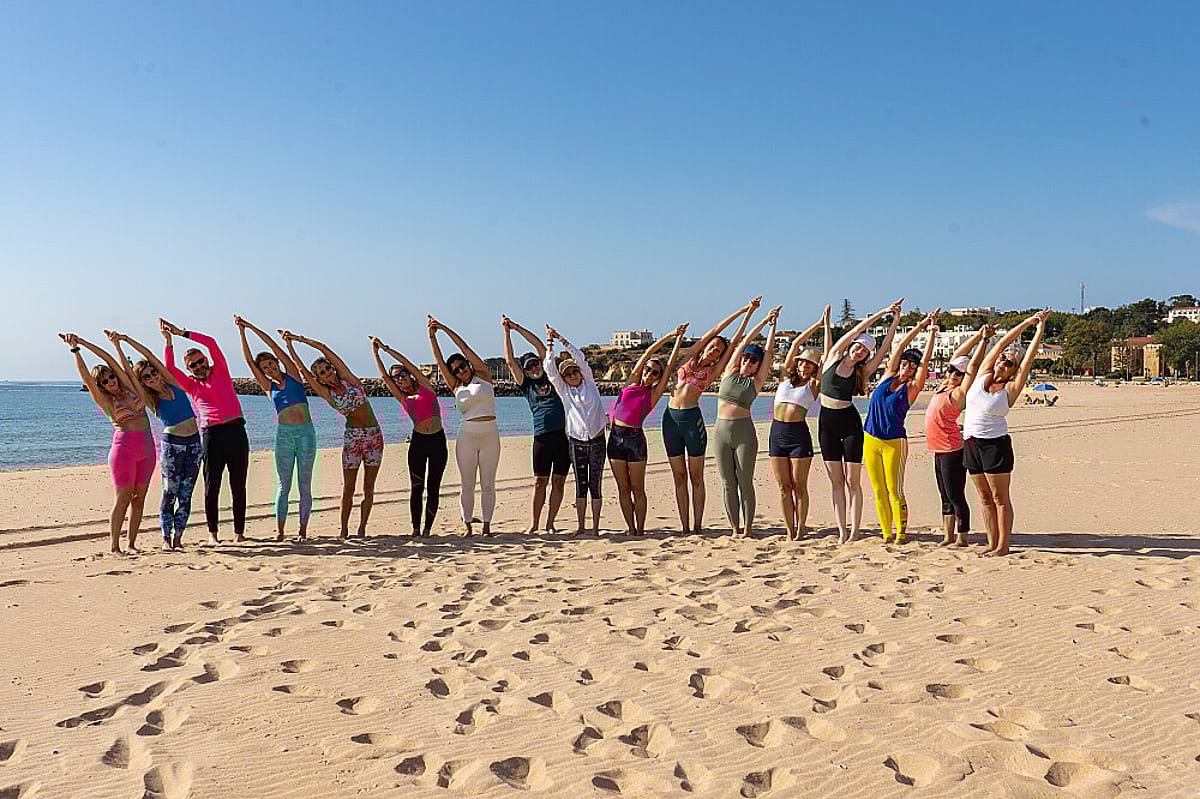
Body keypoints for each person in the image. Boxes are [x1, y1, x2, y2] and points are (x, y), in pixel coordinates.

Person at [664, 297, 762, 532]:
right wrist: (741, 309)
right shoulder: (688, 358)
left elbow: (736, 340)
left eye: (718, 350)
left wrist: (750, 315)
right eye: (711, 346)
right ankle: (685, 526)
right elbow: (716, 330)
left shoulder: (715, 371)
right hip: (669, 419)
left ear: (720, 356)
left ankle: (697, 525)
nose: (713, 350)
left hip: (691, 419)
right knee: (679, 477)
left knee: (696, 476)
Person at [963, 309, 1050, 557]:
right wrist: (1026, 322)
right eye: (1003, 358)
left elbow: (1029, 359)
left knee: (1000, 497)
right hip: (971, 443)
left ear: (1014, 369)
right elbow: (1002, 342)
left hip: (995, 446)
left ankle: (1003, 545)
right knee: (983, 497)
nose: (1003, 362)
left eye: (1009, 363)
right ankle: (992, 542)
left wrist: (1039, 331)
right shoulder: (983, 375)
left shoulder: (1010, 388)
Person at [59, 332, 156, 554]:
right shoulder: (106, 401)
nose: (110, 381)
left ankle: (131, 544)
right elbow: (86, 377)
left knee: (139, 498)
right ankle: (114, 547)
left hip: (148, 449)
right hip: (124, 452)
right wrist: (76, 350)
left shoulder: (130, 388)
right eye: (104, 381)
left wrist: (84, 341)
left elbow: (110, 359)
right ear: (100, 386)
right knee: (123, 498)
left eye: (111, 377)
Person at [282, 331, 383, 539]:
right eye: (321, 372)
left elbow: (324, 348)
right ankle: (344, 530)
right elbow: (302, 370)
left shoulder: (349, 379)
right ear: (319, 379)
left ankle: (362, 528)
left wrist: (299, 339)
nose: (326, 373)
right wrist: (289, 346)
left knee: (369, 487)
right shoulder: (327, 394)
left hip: (374, 437)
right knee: (349, 487)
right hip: (353, 438)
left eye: (327, 368)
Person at [818, 299, 904, 544]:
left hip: (850, 424)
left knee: (852, 481)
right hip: (826, 424)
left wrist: (895, 323)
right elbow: (856, 330)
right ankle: (842, 530)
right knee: (836, 481)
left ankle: (855, 530)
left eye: (865, 352)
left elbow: (885, 349)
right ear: (852, 346)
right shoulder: (833, 357)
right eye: (858, 348)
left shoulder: (862, 372)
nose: (860, 352)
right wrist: (882, 311)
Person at [111, 330, 202, 551]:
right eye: (147, 378)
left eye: (154, 373)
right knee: (170, 493)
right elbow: (130, 377)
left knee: (186, 494)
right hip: (172, 445)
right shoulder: (150, 399)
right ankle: (165, 537)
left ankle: (178, 538)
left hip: (194, 444)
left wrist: (127, 338)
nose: (153, 378)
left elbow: (150, 355)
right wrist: (118, 348)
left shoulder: (172, 383)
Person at [160, 319, 248, 543]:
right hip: (212, 436)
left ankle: (239, 533)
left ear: (206, 360)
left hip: (236, 431)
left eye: (200, 361)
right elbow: (169, 369)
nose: (198, 366)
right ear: (189, 369)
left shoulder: (221, 370)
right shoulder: (191, 385)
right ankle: (213, 534)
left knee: (238, 484)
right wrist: (168, 343)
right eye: (193, 365)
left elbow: (210, 342)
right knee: (212, 485)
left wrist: (182, 333)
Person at [862, 310, 941, 544]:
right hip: (870, 440)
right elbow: (899, 346)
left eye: (912, 365)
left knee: (895, 490)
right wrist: (921, 323)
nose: (907, 366)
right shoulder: (887, 375)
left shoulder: (912, 388)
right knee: (878, 490)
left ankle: (901, 533)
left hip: (894, 442)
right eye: (905, 363)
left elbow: (925, 362)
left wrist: (932, 332)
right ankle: (886, 533)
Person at [236, 316, 316, 542]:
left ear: (277, 363)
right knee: (284, 485)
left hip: (306, 434)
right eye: (265, 368)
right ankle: (280, 532)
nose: (269, 368)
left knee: (304, 485)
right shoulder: (268, 387)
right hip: (284, 436)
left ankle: (302, 531)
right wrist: (242, 333)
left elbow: (274, 346)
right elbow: (250, 362)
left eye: (271, 364)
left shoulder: (293, 375)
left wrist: (251, 326)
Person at [607, 325, 689, 535]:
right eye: (648, 369)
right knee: (623, 489)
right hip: (615, 438)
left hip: (635, 441)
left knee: (637, 489)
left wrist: (678, 341)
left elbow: (670, 366)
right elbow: (646, 354)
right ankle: (631, 529)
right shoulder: (631, 382)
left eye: (655, 373)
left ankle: (641, 529)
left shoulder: (653, 394)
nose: (650, 373)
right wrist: (670, 334)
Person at [924, 324, 995, 546]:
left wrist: (984, 341)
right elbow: (959, 355)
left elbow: (971, 365)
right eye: (951, 371)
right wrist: (977, 335)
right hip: (937, 448)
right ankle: (948, 536)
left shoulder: (959, 392)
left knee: (955, 495)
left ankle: (962, 537)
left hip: (951, 450)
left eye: (958, 373)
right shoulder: (944, 385)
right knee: (944, 495)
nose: (953, 375)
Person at [428, 316, 500, 536]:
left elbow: (464, 347)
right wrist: (431, 337)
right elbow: (440, 362)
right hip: (466, 436)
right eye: (456, 370)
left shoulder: (484, 377)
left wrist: (443, 327)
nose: (460, 371)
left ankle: (487, 526)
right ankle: (468, 526)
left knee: (488, 483)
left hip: (490, 435)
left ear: (468, 365)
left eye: (462, 366)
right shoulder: (456, 386)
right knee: (466, 484)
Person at [714, 306, 781, 537]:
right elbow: (742, 342)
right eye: (747, 358)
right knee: (726, 482)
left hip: (744, 434)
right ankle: (734, 528)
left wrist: (774, 327)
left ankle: (748, 528)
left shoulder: (756, 382)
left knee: (744, 481)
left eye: (753, 361)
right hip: (721, 433)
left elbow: (769, 352)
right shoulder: (729, 371)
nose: (748, 362)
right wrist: (763, 320)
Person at [371, 336, 448, 537]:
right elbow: (385, 378)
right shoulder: (402, 397)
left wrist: (386, 348)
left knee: (433, 487)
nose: (400, 379)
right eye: (396, 377)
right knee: (417, 487)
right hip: (418, 442)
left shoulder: (425, 386)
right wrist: (375, 353)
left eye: (402, 374)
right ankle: (415, 529)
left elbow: (408, 364)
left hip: (438, 441)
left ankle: (427, 529)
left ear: (410, 375)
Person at [769, 306, 832, 541]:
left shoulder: (814, 385)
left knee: (799, 484)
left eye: (809, 364)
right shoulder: (786, 378)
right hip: (776, 434)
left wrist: (826, 326)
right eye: (802, 363)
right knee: (784, 486)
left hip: (798, 436)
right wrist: (815, 324)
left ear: (815, 368)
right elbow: (795, 345)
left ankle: (801, 526)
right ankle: (788, 529)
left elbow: (827, 355)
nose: (804, 366)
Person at [502, 316, 569, 533]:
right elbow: (510, 361)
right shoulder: (526, 385)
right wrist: (506, 332)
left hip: (563, 436)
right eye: (529, 366)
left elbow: (540, 346)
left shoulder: (551, 375)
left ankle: (550, 523)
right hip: (541, 437)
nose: (533, 368)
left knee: (559, 481)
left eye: (535, 363)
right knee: (540, 482)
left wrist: (518, 326)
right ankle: (535, 523)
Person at [543, 325, 607, 534]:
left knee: (595, 484)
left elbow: (580, 357)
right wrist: (549, 344)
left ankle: (596, 527)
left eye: (574, 371)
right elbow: (549, 368)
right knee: (581, 484)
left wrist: (561, 338)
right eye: (567, 373)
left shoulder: (590, 383)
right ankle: (581, 526)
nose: (572, 375)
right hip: (576, 442)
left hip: (597, 440)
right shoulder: (564, 391)